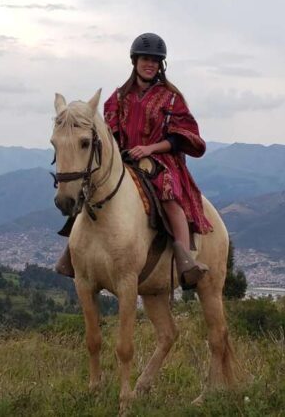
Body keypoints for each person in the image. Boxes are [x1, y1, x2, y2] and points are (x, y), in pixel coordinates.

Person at [56, 32, 212, 288]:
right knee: (91, 188)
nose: (149, 64)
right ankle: (73, 254)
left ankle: (186, 260)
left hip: (161, 159)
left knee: (168, 194)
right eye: (144, 59)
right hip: (124, 159)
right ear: (135, 62)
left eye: (154, 60)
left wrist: (150, 148)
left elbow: (181, 137)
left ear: (160, 65)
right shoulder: (117, 98)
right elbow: (109, 134)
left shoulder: (172, 98)